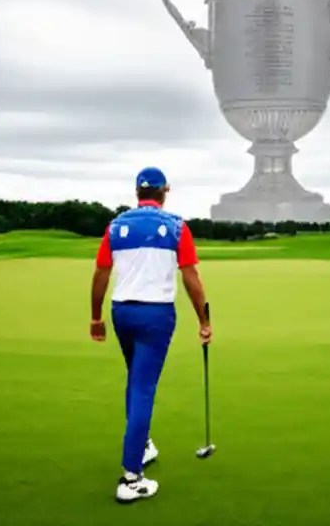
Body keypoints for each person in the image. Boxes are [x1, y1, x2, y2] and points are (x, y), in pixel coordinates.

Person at [89, 166, 212, 504]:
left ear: (137, 193)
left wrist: (95, 317)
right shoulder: (176, 226)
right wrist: (204, 319)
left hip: (121, 312)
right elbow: (191, 277)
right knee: (143, 386)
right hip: (156, 315)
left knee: (135, 377)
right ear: (164, 192)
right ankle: (131, 478)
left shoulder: (116, 226)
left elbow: (101, 273)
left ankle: (141, 446)